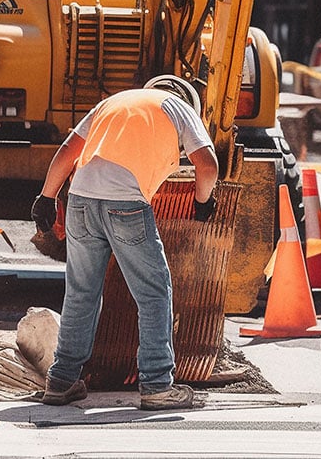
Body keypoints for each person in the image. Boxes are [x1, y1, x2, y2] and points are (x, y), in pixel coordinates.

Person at [31, 75, 219, 411]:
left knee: (81, 293)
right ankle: (158, 386)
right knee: (153, 293)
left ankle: (61, 382)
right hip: (125, 205)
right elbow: (207, 164)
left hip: (80, 202)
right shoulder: (180, 109)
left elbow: (68, 150)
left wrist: (46, 196)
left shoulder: (112, 103)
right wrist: (204, 202)